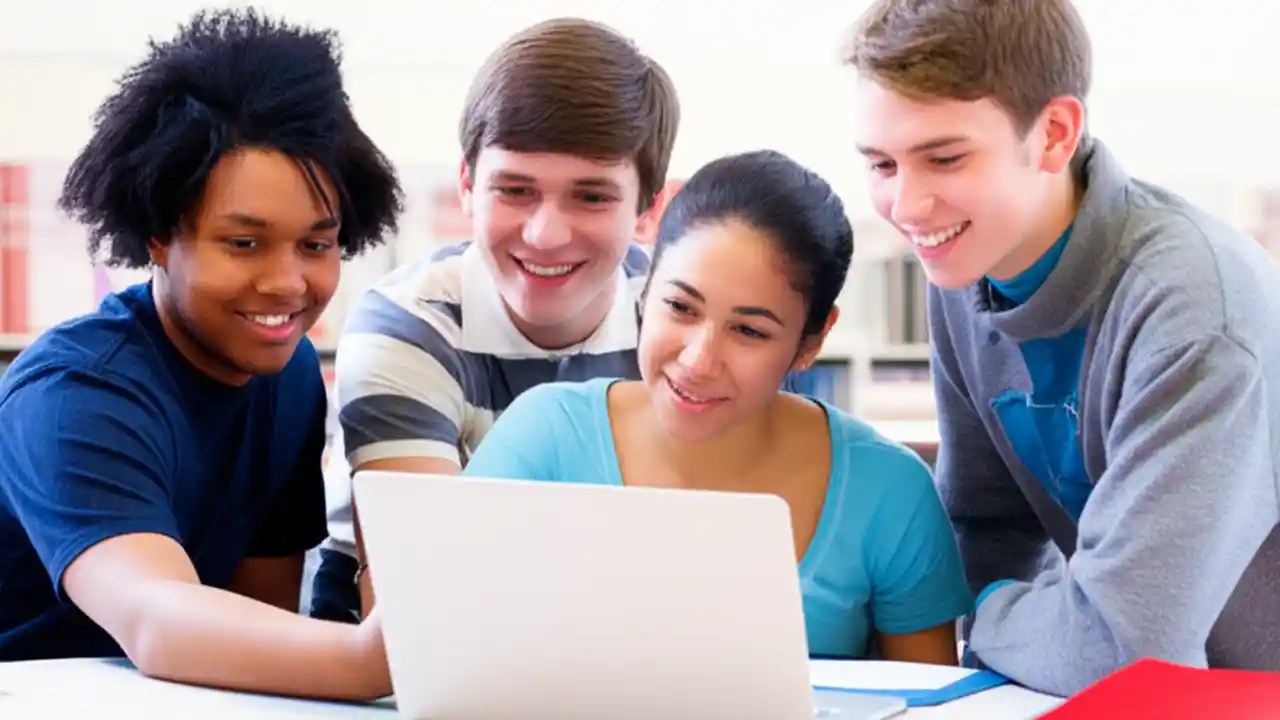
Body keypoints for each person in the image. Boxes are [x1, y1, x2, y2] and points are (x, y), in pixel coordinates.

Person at [844, 0, 1280, 695]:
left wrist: (986, 615)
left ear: (1053, 134)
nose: (908, 206)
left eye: (945, 158)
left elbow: (1127, 649)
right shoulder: (966, 264)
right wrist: (1023, 613)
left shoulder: (1196, 310)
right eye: (881, 164)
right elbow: (985, 532)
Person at [0, 9, 402, 701]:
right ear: (158, 236)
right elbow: (159, 621)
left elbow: (264, 620)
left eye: (316, 244)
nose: (287, 283)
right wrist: (395, 651)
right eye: (244, 244)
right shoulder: (74, 394)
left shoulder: (290, 375)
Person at [463, 150, 973, 664]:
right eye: (679, 307)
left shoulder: (888, 489)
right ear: (645, 290)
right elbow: (437, 645)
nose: (698, 362)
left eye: (749, 331)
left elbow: (930, 695)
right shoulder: (544, 439)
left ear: (811, 342)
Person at [310, 17, 680, 622]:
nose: (545, 235)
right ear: (467, 185)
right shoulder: (408, 325)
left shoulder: (679, 320)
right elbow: (419, 606)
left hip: (617, 625)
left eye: (592, 196)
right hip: (401, 635)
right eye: (515, 190)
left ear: (647, 210)